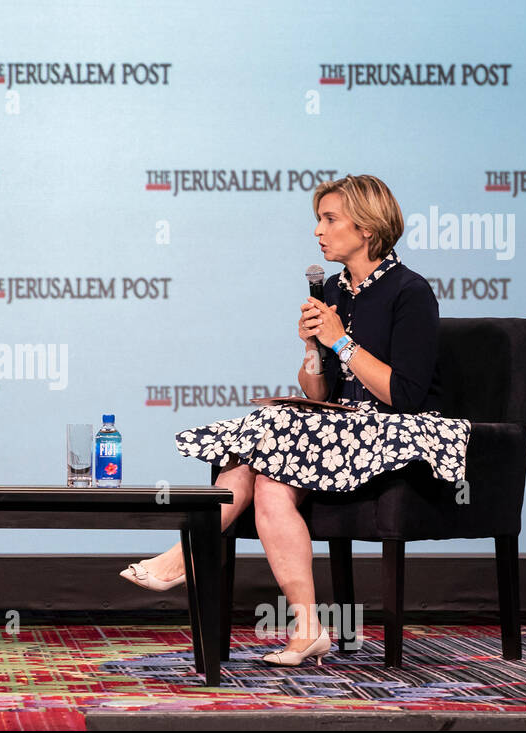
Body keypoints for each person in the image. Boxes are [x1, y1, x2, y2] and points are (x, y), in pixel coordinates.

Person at [119, 175, 469, 666]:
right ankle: (308, 629)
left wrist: (342, 342)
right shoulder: (332, 291)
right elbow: (320, 391)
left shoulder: (410, 292)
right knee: (267, 476)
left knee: (263, 440)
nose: (318, 232)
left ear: (367, 227)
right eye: (318, 220)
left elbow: (405, 396)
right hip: (342, 425)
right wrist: (312, 347)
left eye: (329, 220)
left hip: (401, 431)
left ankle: (187, 553)